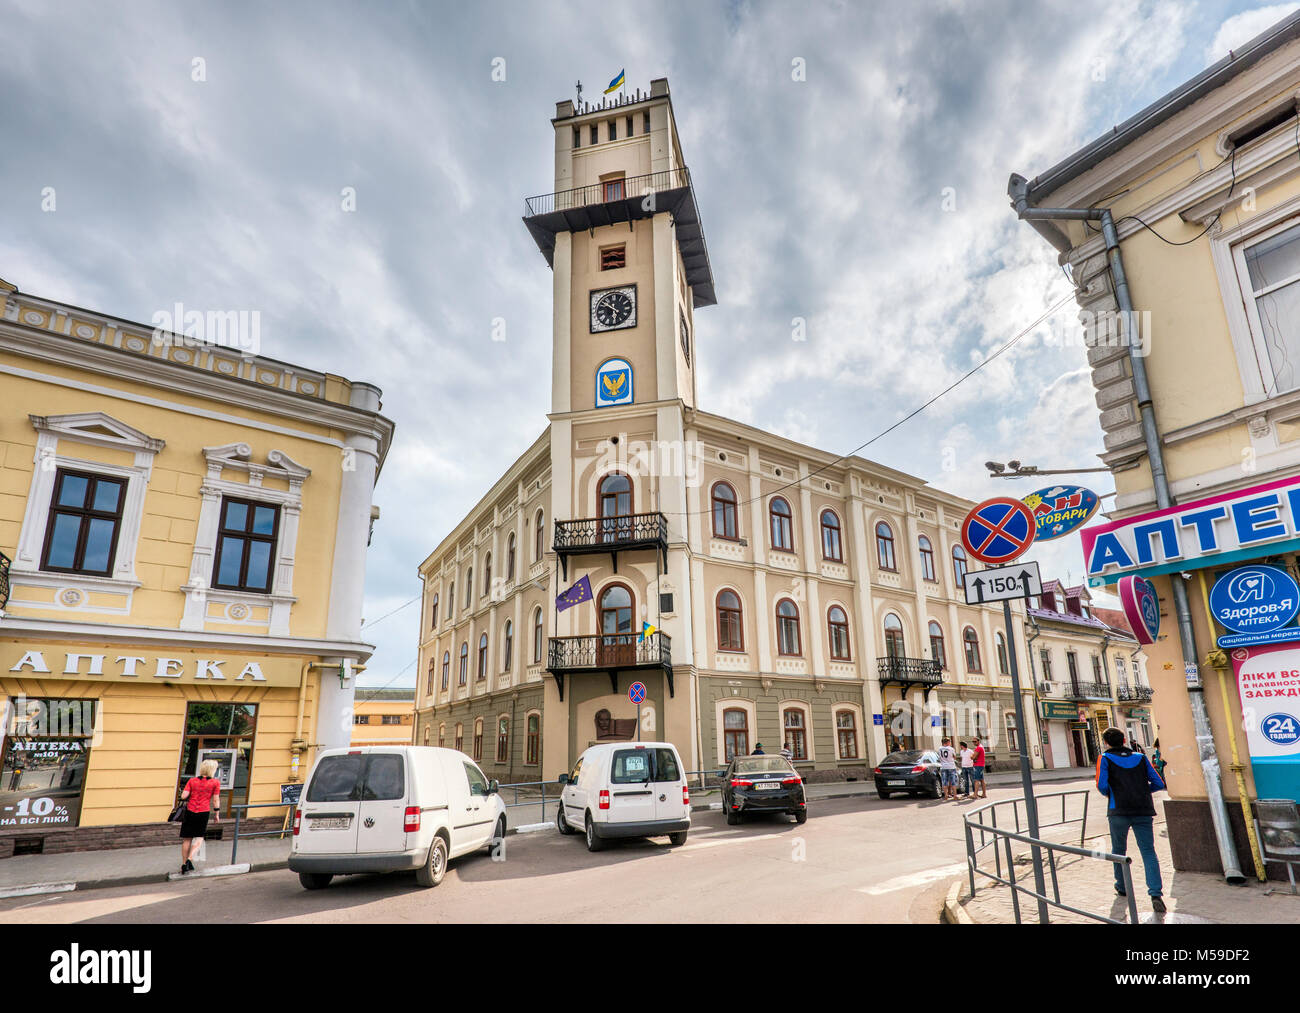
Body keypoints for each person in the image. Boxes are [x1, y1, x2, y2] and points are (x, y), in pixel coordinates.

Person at [1096, 727, 1166, 913]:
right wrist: (1142, 792)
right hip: (1143, 810)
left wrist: (1116, 794)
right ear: (1125, 739)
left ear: (1105, 742)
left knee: (1118, 851)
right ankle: (1155, 893)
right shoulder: (1141, 758)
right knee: (1148, 852)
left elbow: (1101, 786)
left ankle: (1122, 886)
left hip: (1118, 811)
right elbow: (1159, 783)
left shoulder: (1105, 759)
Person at [178, 759, 222, 875]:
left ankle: (183, 864)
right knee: (199, 837)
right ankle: (190, 859)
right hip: (203, 812)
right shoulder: (215, 783)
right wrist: (217, 814)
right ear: (212, 770)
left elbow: (183, 796)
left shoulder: (192, 781)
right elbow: (216, 800)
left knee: (187, 838)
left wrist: (188, 791)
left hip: (190, 811)